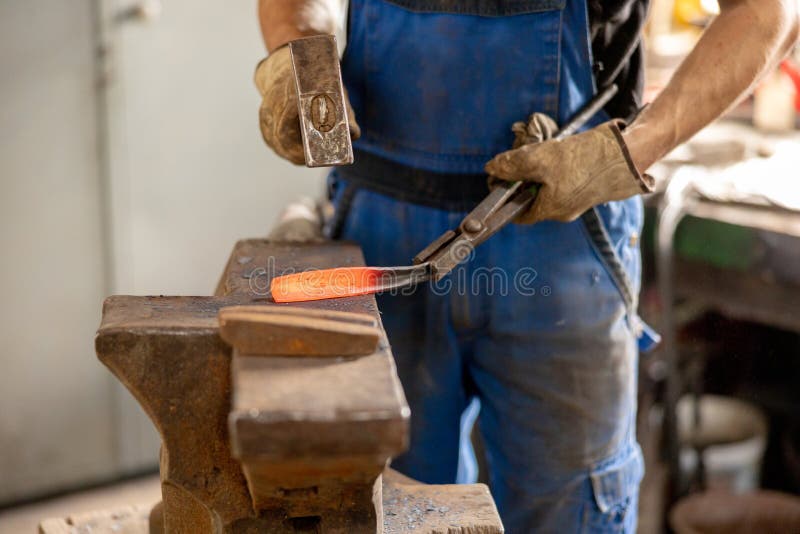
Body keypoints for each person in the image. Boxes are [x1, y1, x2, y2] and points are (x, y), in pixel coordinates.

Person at [255, 0, 799, 531]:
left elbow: (768, 11)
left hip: (563, 231)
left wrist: (630, 152)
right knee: (377, 506)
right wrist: (296, 49)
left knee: (571, 510)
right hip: (381, 234)